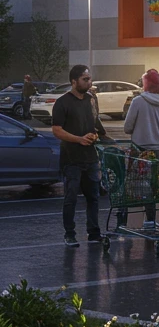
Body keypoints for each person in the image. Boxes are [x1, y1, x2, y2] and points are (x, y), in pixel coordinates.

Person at [51, 64, 108, 247]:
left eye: (89, 79)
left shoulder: (91, 100)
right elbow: (57, 130)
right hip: (71, 159)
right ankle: (69, 234)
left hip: (90, 158)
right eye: (85, 79)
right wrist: (78, 139)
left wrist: (94, 135)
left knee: (93, 197)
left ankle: (93, 233)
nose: (89, 82)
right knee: (71, 198)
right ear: (74, 81)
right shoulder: (62, 102)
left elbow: (96, 127)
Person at [123, 68, 159, 231]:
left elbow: (128, 127)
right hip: (158, 150)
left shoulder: (138, 101)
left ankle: (124, 220)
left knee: (134, 184)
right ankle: (150, 220)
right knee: (153, 185)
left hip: (139, 150)